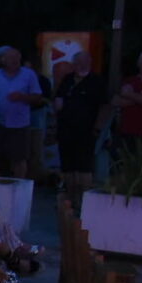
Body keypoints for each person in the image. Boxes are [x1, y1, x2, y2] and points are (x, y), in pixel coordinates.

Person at [53, 50, 109, 202]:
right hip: (66, 130)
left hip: (86, 130)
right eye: (76, 63)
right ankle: (70, 200)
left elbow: (104, 106)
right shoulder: (68, 79)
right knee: (68, 167)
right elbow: (58, 97)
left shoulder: (97, 81)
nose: (79, 65)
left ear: (89, 63)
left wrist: (98, 128)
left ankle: (84, 200)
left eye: (82, 62)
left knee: (84, 167)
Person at [0, 48, 44, 178]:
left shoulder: (29, 75)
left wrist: (22, 97)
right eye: (11, 58)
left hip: (20, 123)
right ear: (3, 60)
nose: (14, 61)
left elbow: (38, 97)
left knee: (19, 157)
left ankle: (19, 186)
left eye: (17, 58)